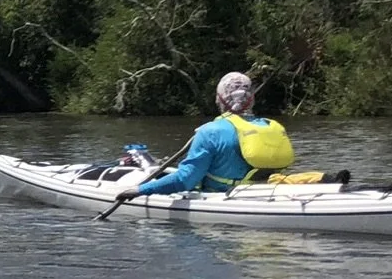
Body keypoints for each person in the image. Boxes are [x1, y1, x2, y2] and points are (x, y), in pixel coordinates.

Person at [116, 72, 293, 202]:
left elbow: (186, 180)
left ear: (220, 99)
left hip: (222, 199)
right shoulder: (271, 126)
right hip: (267, 193)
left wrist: (141, 189)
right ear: (252, 100)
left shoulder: (210, 131)